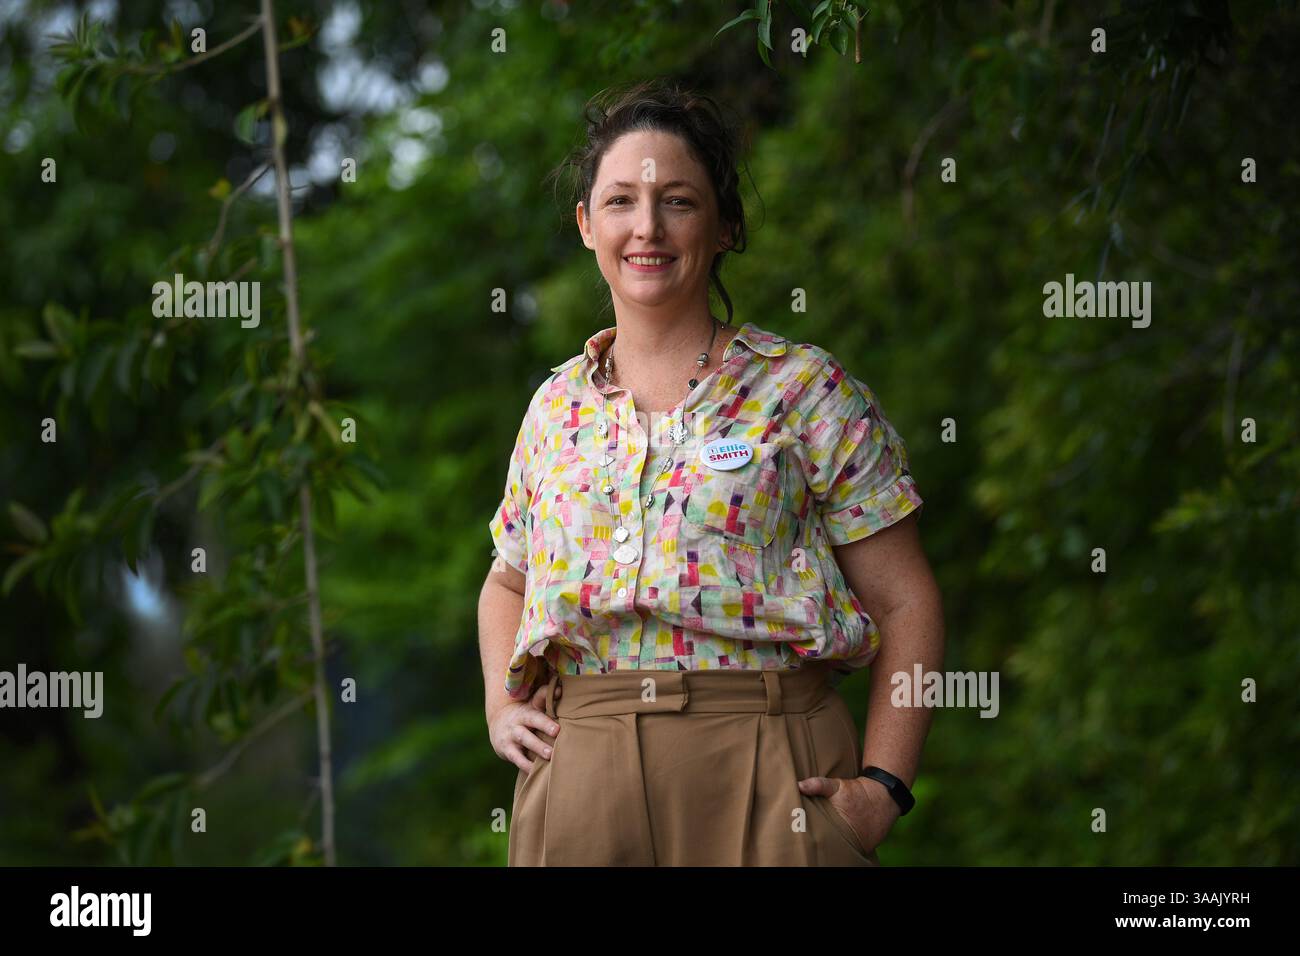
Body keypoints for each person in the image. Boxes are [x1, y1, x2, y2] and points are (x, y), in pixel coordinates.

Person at [478, 78, 945, 866]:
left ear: (725, 226)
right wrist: (499, 701)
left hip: (773, 772)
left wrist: (884, 787)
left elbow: (907, 601)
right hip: (582, 778)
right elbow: (507, 583)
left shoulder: (805, 390)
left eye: (680, 202)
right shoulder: (554, 409)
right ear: (587, 224)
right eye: (621, 201)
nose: (647, 228)